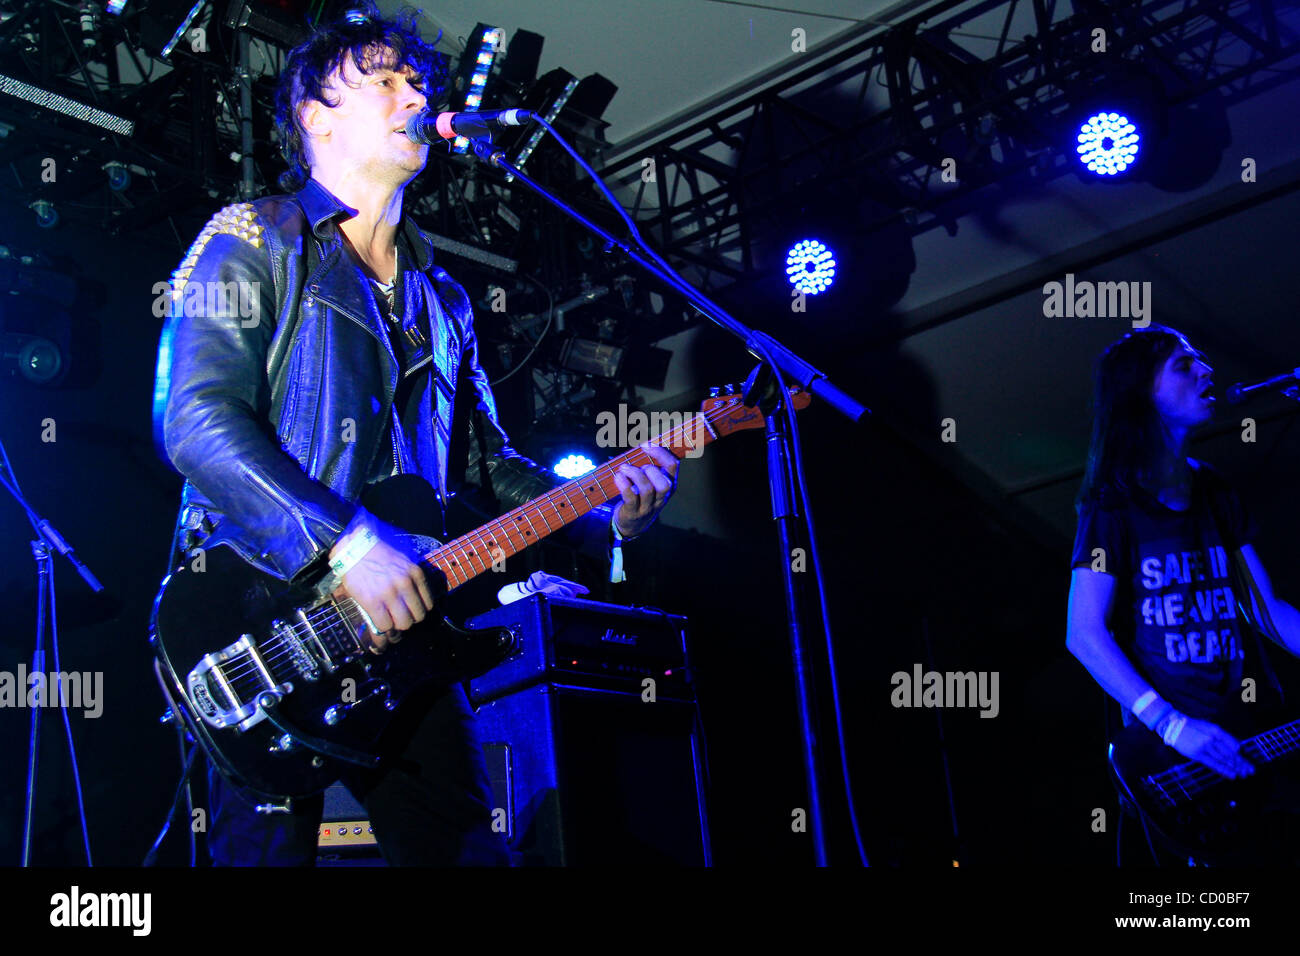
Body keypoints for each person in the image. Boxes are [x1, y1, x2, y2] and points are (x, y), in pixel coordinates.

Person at [154, 5, 678, 865]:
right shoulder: (251, 239)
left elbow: (485, 468)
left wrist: (607, 512)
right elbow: (196, 420)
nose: (415, 96)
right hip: (262, 614)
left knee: (468, 852)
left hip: (405, 637)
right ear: (316, 116)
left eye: (418, 81)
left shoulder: (446, 302)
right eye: (385, 82)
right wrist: (347, 548)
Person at [1066, 325, 1300, 861]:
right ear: (1141, 392)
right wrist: (1172, 726)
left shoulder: (1213, 488)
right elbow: (1083, 632)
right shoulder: (1114, 505)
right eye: (1183, 364)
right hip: (1173, 754)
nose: (1206, 370)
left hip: (1251, 729)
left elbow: (1267, 611)